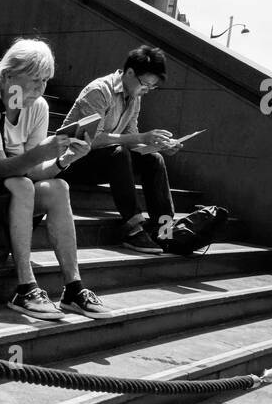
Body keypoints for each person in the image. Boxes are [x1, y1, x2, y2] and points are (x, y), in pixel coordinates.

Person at [0, 37, 112, 322]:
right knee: (21, 185)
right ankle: (25, 285)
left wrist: (65, 158)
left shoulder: (37, 107)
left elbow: (33, 170)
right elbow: (0, 167)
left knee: (58, 187)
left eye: (45, 81)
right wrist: (42, 151)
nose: (40, 89)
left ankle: (73, 288)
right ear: (8, 74)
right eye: (35, 80)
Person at [57, 46, 180, 255]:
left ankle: (165, 229)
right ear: (130, 73)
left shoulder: (134, 97)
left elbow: (132, 137)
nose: (146, 90)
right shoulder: (99, 91)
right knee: (119, 152)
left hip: (106, 159)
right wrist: (141, 137)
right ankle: (133, 228)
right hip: (72, 161)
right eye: (145, 84)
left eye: (152, 87)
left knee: (154, 159)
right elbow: (92, 139)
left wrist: (157, 146)